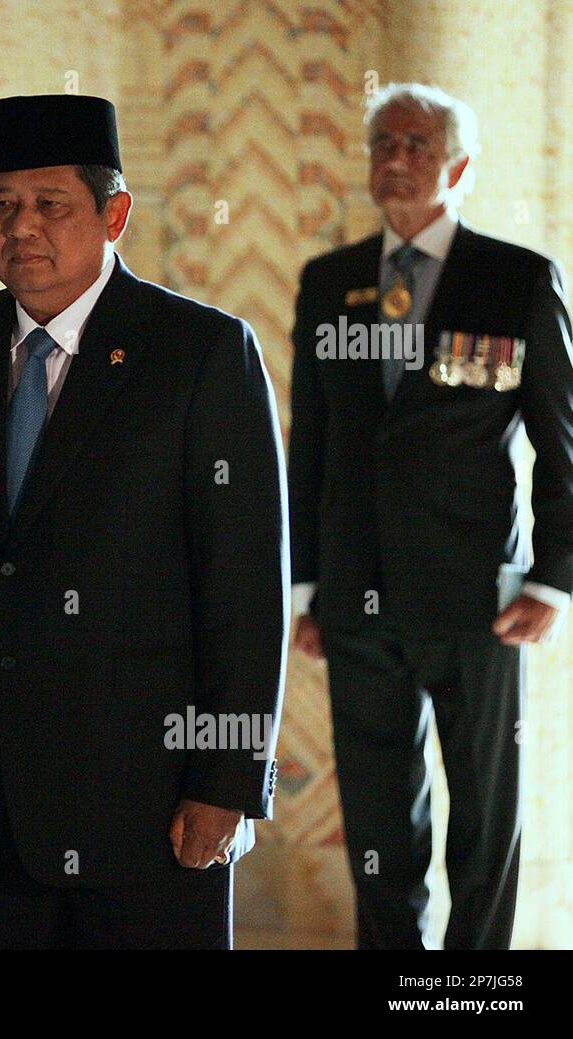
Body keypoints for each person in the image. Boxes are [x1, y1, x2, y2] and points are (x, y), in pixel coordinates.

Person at [0, 94, 289, 949]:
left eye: (50, 205)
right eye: (2, 205)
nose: (21, 228)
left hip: (149, 810)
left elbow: (244, 588)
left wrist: (229, 779)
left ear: (115, 213)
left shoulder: (202, 354)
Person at [289, 82, 573, 949]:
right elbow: (313, 443)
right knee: (377, 814)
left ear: (459, 165)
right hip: (355, 594)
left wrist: (557, 582)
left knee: (484, 809)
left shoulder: (516, 279)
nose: (395, 157)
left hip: (479, 593)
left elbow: (564, 445)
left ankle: (472, 986)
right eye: (382, 141)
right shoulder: (331, 282)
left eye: (416, 142)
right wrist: (307, 584)